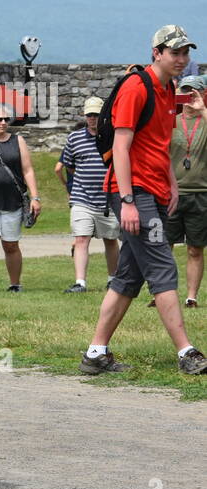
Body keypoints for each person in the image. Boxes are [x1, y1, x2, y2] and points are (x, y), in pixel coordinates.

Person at [81, 26, 207, 376]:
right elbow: (121, 147)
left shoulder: (168, 90)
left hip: (153, 190)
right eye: (174, 52)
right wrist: (128, 201)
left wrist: (173, 184)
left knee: (127, 279)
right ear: (157, 53)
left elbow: (158, 145)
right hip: (133, 192)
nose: (181, 59)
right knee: (163, 268)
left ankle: (95, 354)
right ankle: (187, 353)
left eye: (185, 53)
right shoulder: (138, 87)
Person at [56, 95, 119, 292]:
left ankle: (113, 279)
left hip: (108, 199)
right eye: (89, 115)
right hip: (82, 198)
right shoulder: (75, 138)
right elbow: (68, 165)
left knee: (110, 239)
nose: (93, 118)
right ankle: (80, 282)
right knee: (81, 239)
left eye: (96, 115)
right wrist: (76, 184)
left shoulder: (113, 137)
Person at [0, 103, 40, 293]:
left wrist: (35, 197)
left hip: (13, 201)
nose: (3, 123)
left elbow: (28, 170)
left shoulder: (17, 141)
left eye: (6, 119)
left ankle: (14, 284)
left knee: (11, 244)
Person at [166, 74, 207, 307]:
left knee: (195, 248)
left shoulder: (205, 119)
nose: (189, 96)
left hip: (200, 192)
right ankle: (162, 293)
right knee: (165, 246)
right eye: (185, 92)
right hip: (173, 192)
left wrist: (202, 109)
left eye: (194, 92)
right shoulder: (171, 120)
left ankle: (191, 296)